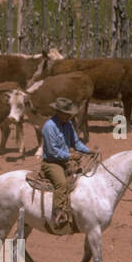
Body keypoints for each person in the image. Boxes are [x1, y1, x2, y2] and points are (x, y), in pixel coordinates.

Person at [40, 97, 91, 231]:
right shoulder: (49, 126)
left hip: (66, 161)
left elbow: (76, 142)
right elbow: (52, 151)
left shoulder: (68, 124)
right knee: (61, 184)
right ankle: (57, 215)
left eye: (70, 114)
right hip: (51, 163)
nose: (69, 116)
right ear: (59, 112)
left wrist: (89, 150)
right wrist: (71, 156)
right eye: (67, 113)